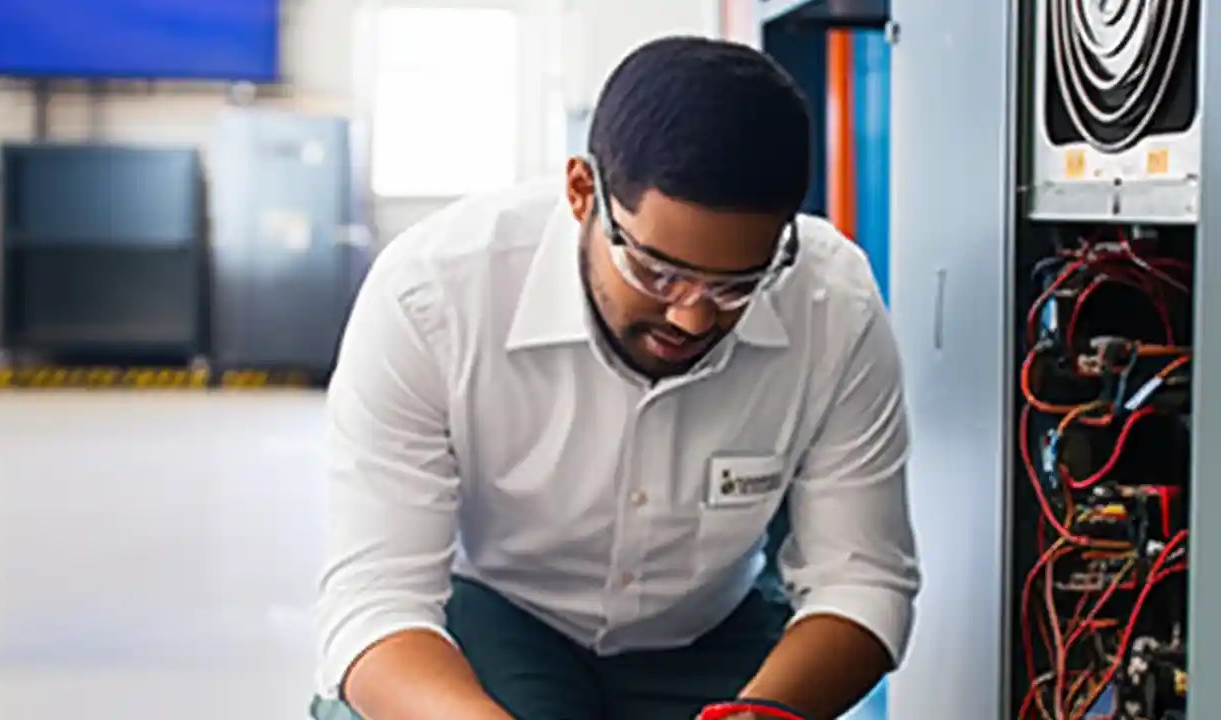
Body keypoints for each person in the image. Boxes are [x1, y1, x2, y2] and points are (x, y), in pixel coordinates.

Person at [312, 36, 920, 720]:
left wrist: (761, 715)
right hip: (497, 617)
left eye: (736, 286)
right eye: (657, 272)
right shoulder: (433, 298)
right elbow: (374, 602)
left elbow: (863, 577)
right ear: (582, 193)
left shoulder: (833, 305)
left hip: (711, 628)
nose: (691, 316)